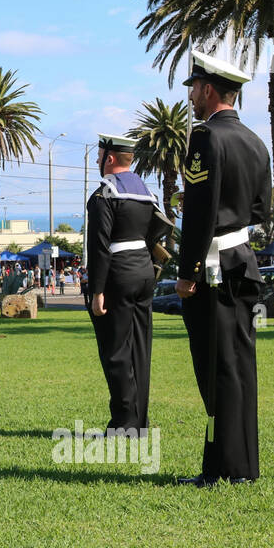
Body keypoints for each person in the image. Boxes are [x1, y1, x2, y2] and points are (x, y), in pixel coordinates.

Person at [175, 51, 272, 487]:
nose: (191, 96)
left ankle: (226, 471)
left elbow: (198, 214)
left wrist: (188, 272)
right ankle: (233, 467)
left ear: (209, 89)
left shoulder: (205, 137)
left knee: (216, 371)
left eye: (193, 87)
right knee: (238, 368)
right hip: (243, 264)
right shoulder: (256, 141)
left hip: (213, 270)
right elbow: (260, 208)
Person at [86, 133, 163, 434]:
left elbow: (100, 246)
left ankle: (123, 422)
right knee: (140, 349)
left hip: (117, 275)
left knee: (116, 351)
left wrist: (97, 291)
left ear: (111, 158)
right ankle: (139, 420)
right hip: (144, 272)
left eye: (99, 155)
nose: (96, 160)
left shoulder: (104, 193)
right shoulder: (145, 191)